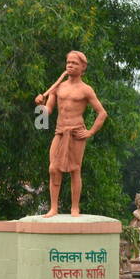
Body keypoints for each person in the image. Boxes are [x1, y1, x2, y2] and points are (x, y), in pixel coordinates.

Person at [36, 51, 108, 217]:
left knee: (75, 169)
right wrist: (41, 105)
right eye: (68, 62)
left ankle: (75, 207)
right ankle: (53, 208)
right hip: (60, 132)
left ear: (83, 67)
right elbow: (48, 111)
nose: (70, 65)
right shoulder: (58, 87)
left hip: (76, 133)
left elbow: (102, 113)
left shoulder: (86, 90)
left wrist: (89, 132)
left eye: (74, 63)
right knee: (53, 169)